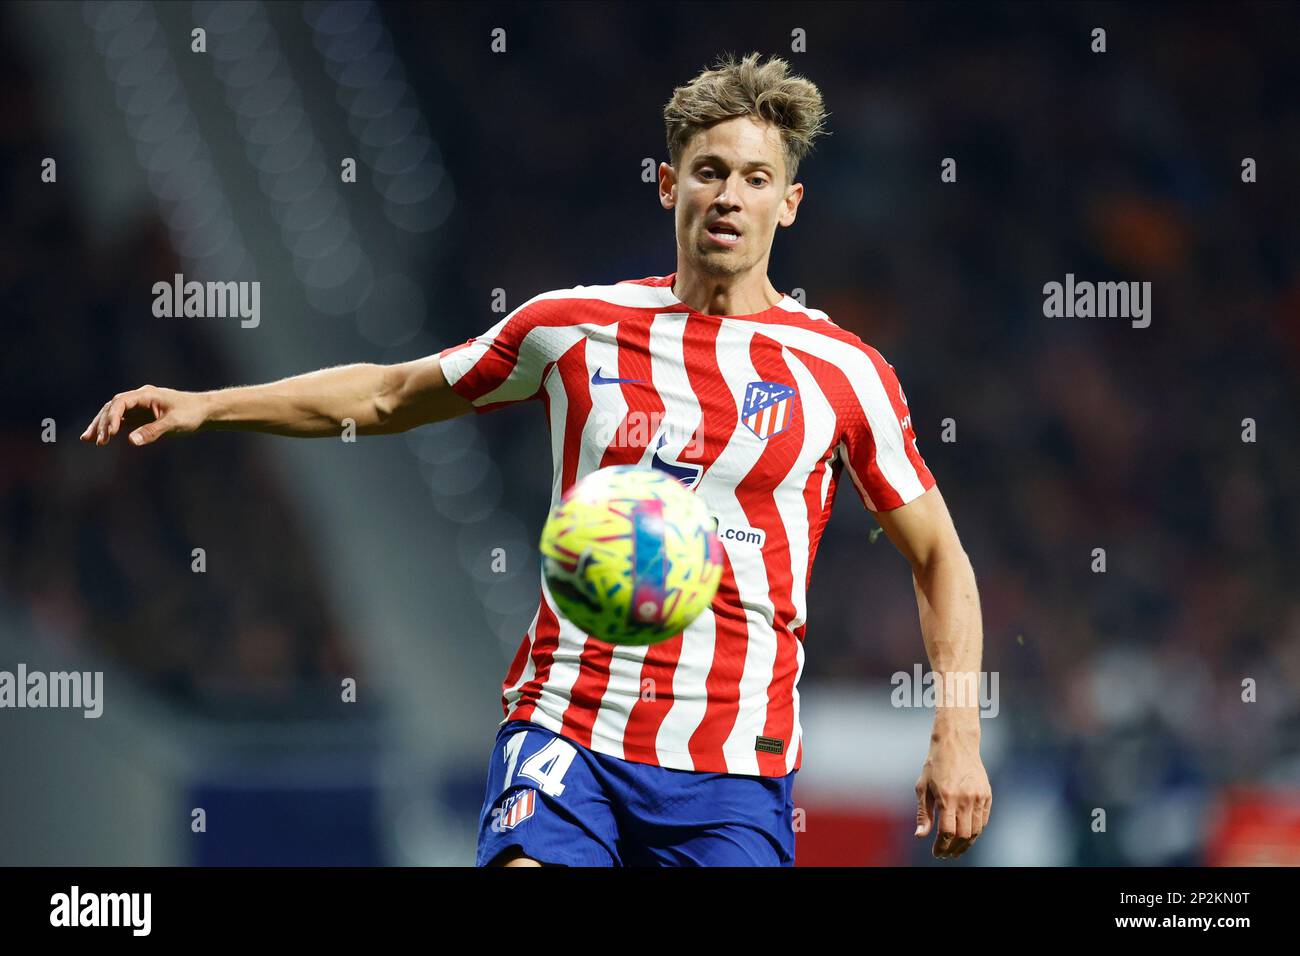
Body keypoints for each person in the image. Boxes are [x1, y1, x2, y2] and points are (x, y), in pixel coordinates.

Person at [81, 52, 991, 867]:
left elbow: (940, 557)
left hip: (730, 766)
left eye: (757, 179)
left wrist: (957, 733)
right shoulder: (571, 328)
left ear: (788, 203)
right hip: (568, 723)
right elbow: (392, 394)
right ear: (669, 184)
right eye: (709, 172)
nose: (730, 196)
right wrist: (212, 406)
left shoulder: (843, 373)